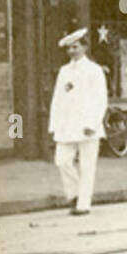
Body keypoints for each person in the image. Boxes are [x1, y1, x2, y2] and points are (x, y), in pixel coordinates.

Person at [48, 28, 106, 215]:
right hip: (67, 125)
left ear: (84, 47)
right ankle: (74, 194)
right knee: (62, 161)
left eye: (75, 47)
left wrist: (93, 123)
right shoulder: (64, 71)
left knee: (87, 166)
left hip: (87, 125)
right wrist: (54, 124)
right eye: (69, 48)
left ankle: (83, 203)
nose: (72, 51)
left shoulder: (94, 70)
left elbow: (100, 99)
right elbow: (58, 98)